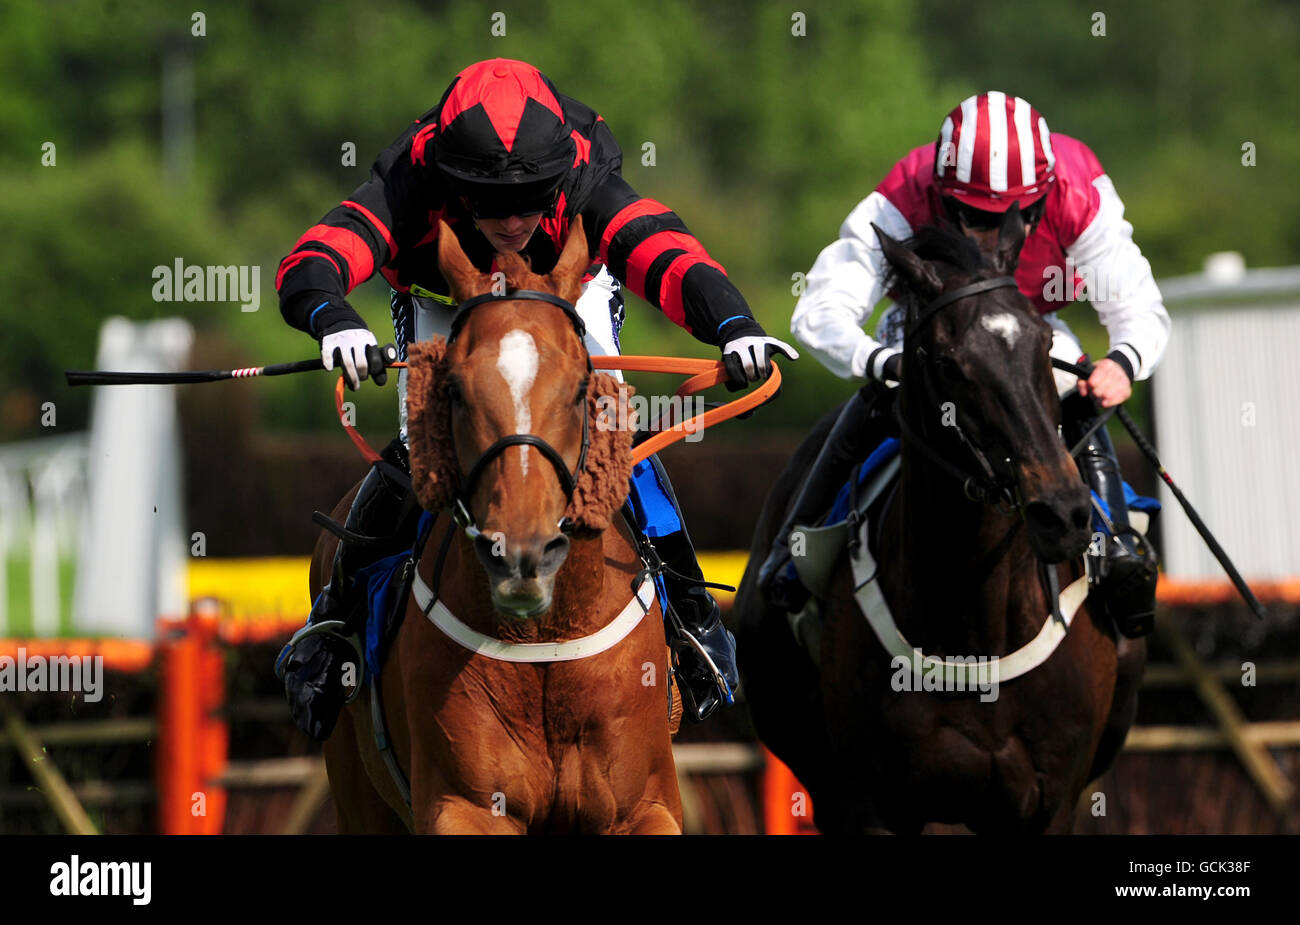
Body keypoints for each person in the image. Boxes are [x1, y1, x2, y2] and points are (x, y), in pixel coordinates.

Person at [274, 58, 797, 739]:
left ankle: (693, 620)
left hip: (565, 295)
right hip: (448, 302)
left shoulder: (587, 173)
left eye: (529, 201)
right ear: (452, 181)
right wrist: (334, 319)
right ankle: (335, 621)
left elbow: (664, 252)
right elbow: (311, 260)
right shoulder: (410, 175)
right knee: (428, 444)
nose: (512, 221)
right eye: (488, 204)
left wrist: (733, 324)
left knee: (612, 441)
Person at [758, 91, 1169, 637]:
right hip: (933, 335)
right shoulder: (903, 196)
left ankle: (1115, 544)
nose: (996, 234)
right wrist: (881, 361)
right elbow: (819, 311)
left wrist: (1122, 361)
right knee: (882, 392)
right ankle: (797, 543)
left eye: (1019, 216)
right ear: (943, 195)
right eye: (976, 216)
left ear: (1046, 194)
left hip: (1029, 329)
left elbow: (1138, 305)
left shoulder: (1078, 188)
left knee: (1078, 379)